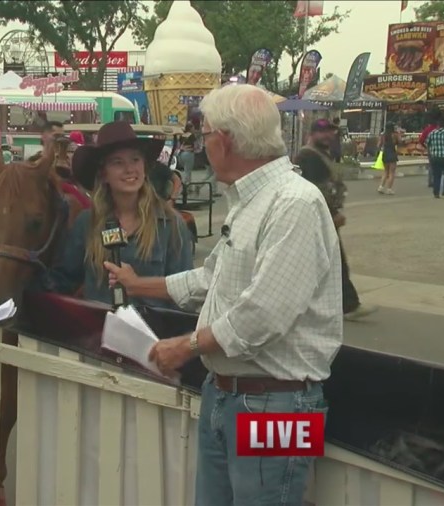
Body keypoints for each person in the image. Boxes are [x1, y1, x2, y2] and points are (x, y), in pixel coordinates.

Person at [104, 85, 342, 505]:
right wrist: (138, 283)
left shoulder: (295, 203)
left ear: (225, 140)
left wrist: (187, 345)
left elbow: (263, 314)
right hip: (229, 393)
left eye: (205, 134)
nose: (202, 144)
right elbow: (211, 279)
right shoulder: (252, 201)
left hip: (279, 402)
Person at [47, 121, 194, 309]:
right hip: (98, 333)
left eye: (135, 160)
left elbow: (185, 293)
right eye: (118, 162)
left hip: (154, 335)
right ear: (104, 174)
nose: (130, 169)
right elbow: (62, 280)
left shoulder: (171, 224)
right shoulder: (87, 223)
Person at [295, 118, 376, 320]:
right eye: (322, 132)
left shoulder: (322, 154)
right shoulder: (309, 156)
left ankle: (340, 304)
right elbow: (315, 189)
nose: (328, 135)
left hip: (322, 216)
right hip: (319, 216)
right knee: (334, 260)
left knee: (325, 260)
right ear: (312, 134)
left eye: (330, 132)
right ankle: (348, 305)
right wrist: (332, 214)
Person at [377, 123, 400, 195]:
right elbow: (400, 141)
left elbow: (378, 145)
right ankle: (389, 189)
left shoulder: (383, 135)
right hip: (392, 153)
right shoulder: (395, 135)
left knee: (385, 171)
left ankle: (381, 187)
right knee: (392, 173)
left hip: (385, 153)